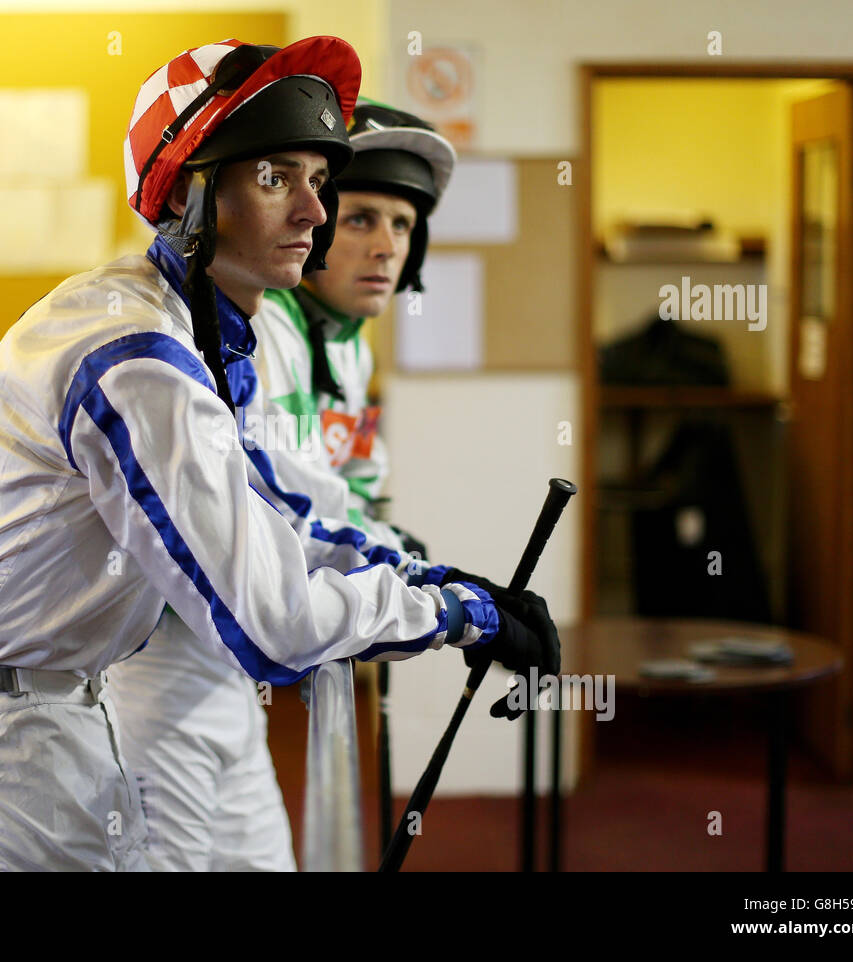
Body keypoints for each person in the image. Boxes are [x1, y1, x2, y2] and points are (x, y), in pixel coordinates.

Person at [0, 37, 538, 873]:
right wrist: (448, 617)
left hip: (56, 717)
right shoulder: (138, 352)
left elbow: (272, 517)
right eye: (275, 178)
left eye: (319, 182)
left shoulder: (183, 330)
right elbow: (276, 622)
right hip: (5, 751)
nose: (315, 213)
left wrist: (441, 586)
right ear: (189, 193)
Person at [109, 98, 562, 871]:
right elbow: (292, 512)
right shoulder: (262, 330)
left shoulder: (348, 348)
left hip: (230, 675)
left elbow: (356, 493)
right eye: (360, 220)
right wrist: (450, 599)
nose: (385, 247)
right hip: (163, 665)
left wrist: (416, 560)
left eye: (403, 227)